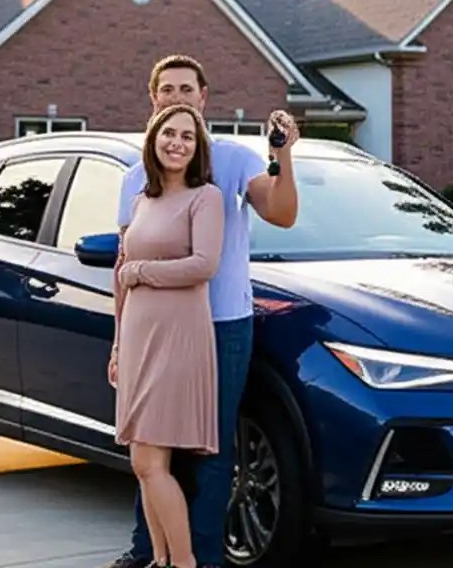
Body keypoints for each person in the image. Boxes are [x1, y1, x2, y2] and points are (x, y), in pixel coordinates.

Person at [104, 54, 300, 568]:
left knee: (208, 449)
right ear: (153, 99)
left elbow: (280, 212)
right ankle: (147, 552)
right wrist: (119, 339)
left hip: (219, 326)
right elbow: (124, 261)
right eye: (166, 89)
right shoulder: (133, 181)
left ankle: (202, 558)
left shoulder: (231, 164)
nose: (176, 97)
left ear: (203, 97)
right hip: (150, 331)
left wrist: (284, 157)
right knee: (147, 447)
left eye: (186, 89)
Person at [112, 103, 223, 568]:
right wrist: (117, 345)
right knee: (143, 464)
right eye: (169, 134)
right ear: (153, 140)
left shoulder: (206, 198)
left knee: (151, 463)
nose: (176, 143)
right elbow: (120, 276)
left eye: (187, 137)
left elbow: (204, 265)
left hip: (179, 338)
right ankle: (159, 560)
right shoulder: (141, 201)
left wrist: (143, 270)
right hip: (137, 340)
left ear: (197, 150)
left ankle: (183, 563)